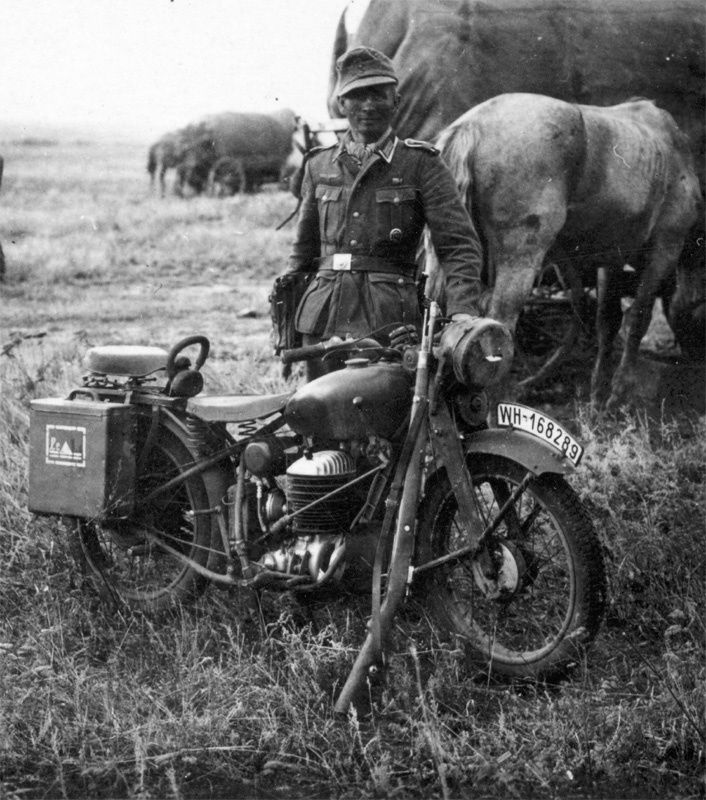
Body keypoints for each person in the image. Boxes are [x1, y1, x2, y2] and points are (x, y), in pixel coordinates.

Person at [284, 45, 484, 379]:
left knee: (385, 407)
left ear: (396, 101)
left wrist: (463, 312)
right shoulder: (318, 165)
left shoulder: (421, 164)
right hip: (322, 320)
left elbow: (459, 245)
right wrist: (288, 324)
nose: (368, 105)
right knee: (317, 407)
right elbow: (303, 252)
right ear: (341, 103)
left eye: (378, 94)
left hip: (390, 323)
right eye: (357, 96)